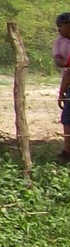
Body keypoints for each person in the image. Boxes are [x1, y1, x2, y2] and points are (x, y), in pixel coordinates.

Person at [53, 13, 70, 162]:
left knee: (67, 118)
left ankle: (67, 151)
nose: (58, 30)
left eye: (61, 26)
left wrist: (61, 92)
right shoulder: (60, 41)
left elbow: (69, 72)